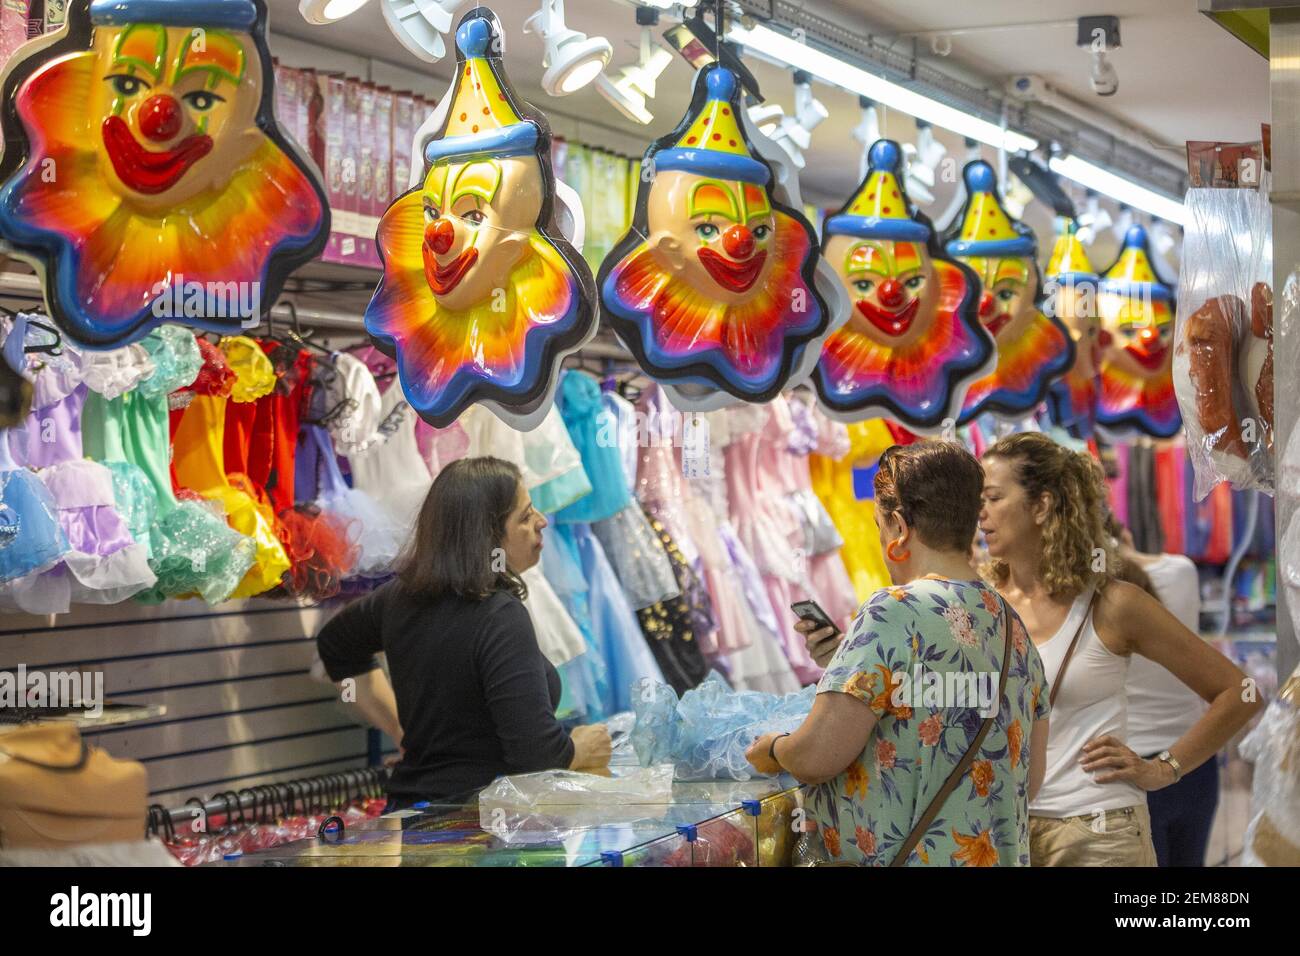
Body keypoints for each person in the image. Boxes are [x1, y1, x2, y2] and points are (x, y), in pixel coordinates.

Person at [747, 441, 1050, 866]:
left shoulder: (893, 610)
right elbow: (1029, 779)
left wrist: (775, 749)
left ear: (899, 527)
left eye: (879, 526)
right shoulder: (1012, 625)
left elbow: (816, 757)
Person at [979, 433, 1259, 866]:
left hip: (1099, 833)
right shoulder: (981, 605)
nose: (981, 512)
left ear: (1041, 505)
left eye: (994, 497)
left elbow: (1240, 693)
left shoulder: (1112, 603)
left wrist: (1163, 768)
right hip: (1004, 831)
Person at [315, 456, 610, 808]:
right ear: (487, 538)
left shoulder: (400, 597)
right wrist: (580, 747)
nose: (542, 522)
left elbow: (335, 645)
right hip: (484, 829)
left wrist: (398, 730)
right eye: (525, 516)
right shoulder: (499, 615)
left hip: (417, 816)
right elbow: (537, 755)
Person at [1107, 513, 1220, 867]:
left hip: (1133, 768)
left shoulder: (1096, 594)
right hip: (1194, 759)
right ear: (1125, 532)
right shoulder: (1182, 571)